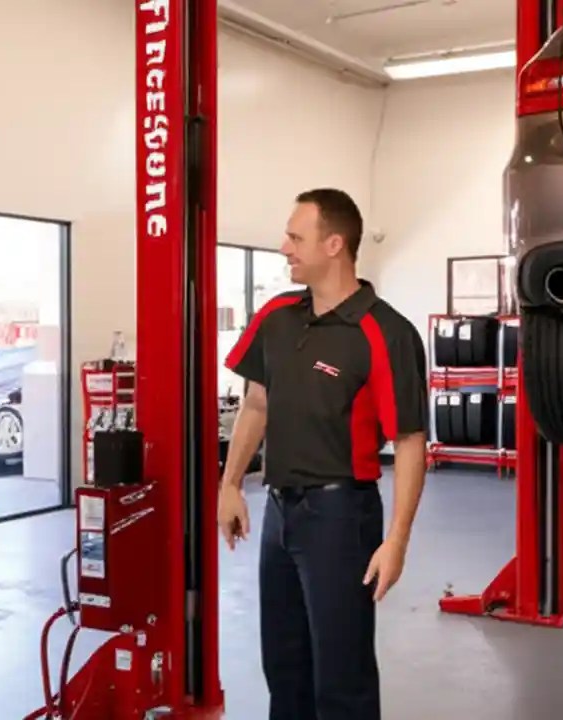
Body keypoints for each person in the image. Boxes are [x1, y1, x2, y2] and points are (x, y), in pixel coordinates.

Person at [218, 188, 429, 720]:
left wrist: (397, 540)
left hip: (341, 517)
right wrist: (230, 484)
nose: (283, 246)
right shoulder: (277, 315)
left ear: (334, 244)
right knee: (284, 667)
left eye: (295, 236)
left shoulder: (386, 332)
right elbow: (256, 405)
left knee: (342, 675)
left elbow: (409, 442)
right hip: (279, 513)